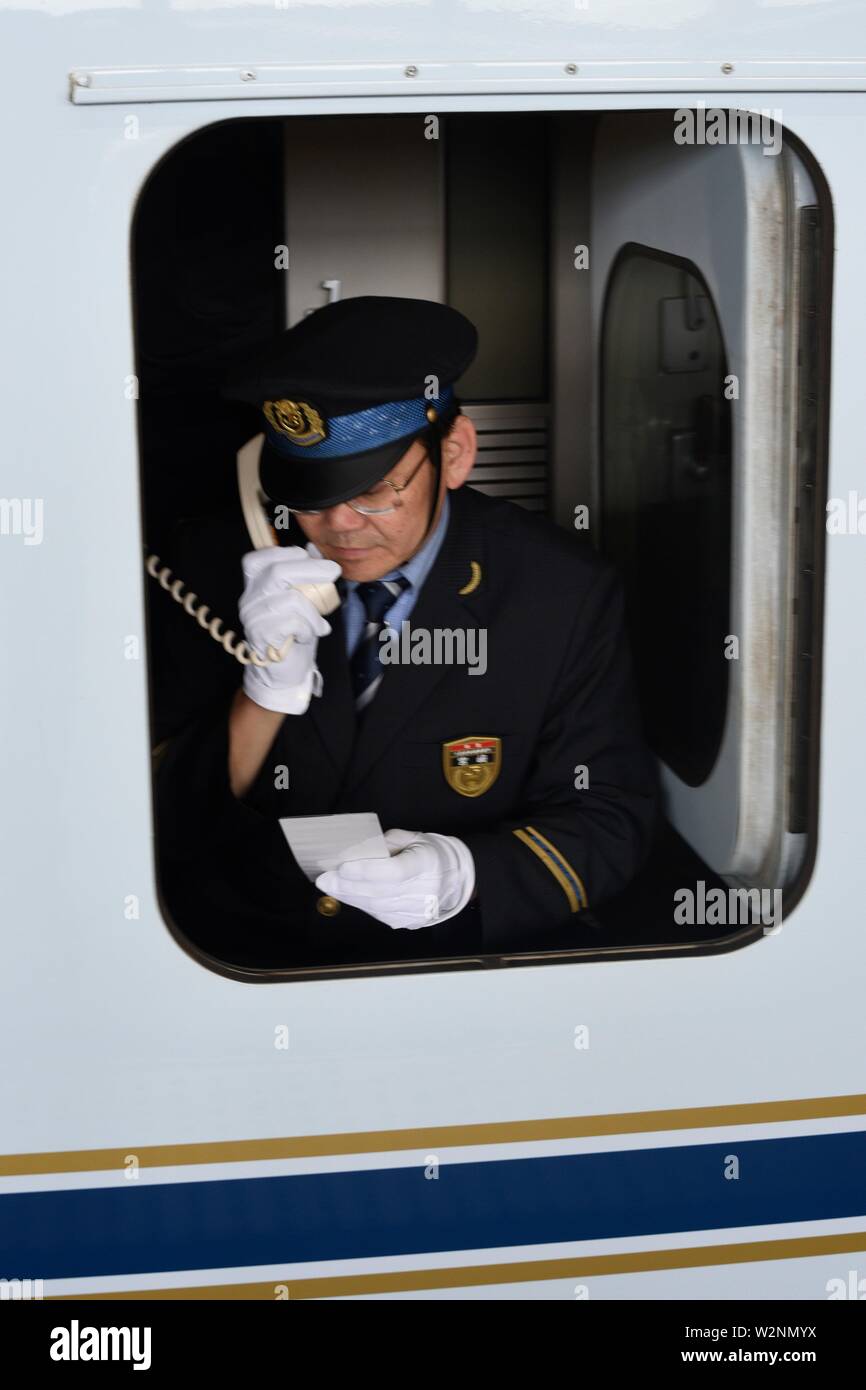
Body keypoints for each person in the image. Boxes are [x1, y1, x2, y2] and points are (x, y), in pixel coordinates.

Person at [154, 295, 657, 970]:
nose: (339, 526)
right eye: (308, 496)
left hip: (444, 967)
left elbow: (609, 818)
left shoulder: (559, 590)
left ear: (453, 453)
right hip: (242, 962)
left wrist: (469, 874)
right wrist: (265, 694)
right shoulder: (212, 568)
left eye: (375, 491)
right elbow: (156, 820)